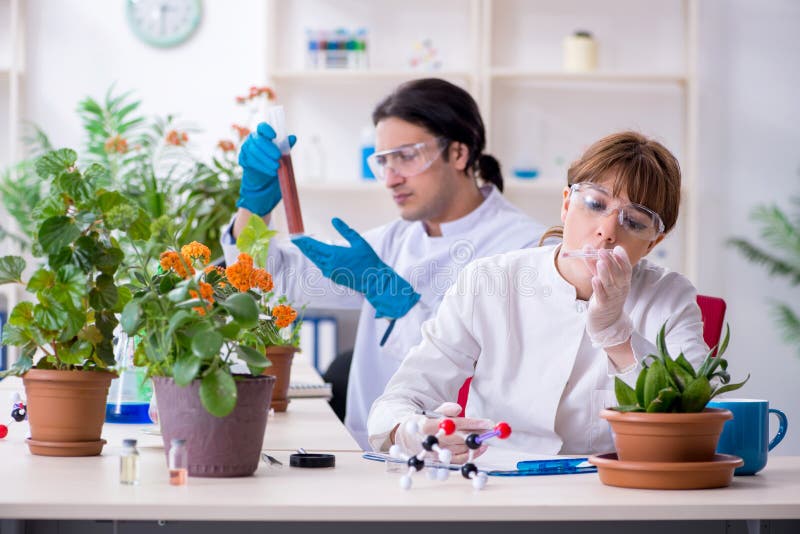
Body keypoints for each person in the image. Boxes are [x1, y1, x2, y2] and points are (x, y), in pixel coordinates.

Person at [223, 78, 546, 449]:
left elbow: (492, 371)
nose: (391, 179)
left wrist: (394, 297)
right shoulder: (393, 241)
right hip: (371, 453)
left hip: (466, 459)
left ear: (459, 153)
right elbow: (268, 280)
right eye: (383, 162)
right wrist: (253, 206)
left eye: (406, 156)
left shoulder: (526, 249)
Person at [367, 131, 709, 462]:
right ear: (566, 204)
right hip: (496, 487)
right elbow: (399, 400)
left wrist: (616, 334)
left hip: (605, 493)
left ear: (653, 243)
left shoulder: (670, 299)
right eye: (594, 203)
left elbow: (690, 422)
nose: (607, 230)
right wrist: (412, 431)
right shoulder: (488, 281)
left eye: (633, 222)